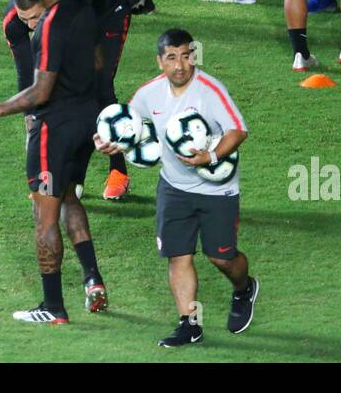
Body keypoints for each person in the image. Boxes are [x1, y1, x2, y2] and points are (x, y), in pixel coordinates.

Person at [0, 0, 110, 325]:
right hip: (84, 121)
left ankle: (53, 307)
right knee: (69, 195)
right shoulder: (81, 8)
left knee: (44, 216)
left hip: (53, 130)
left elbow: (40, 92)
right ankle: (93, 279)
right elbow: (97, 62)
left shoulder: (51, 23)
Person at [97, 28, 257, 347]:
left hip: (217, 190)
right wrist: (108, 141)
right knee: (178, 255)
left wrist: (209, 156)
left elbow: (237, 130)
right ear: (160, 62)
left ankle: (244, 288)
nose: (180, 65)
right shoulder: (147, 95)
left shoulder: (210, 90)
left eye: (186, 56)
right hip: (174, 188)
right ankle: (190, 323)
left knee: (221, 258)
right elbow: (129, 125)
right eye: (172, 57)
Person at [4, 0, 132, 200]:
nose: (30, 26)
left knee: (99, 88)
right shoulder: (14, 23)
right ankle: (65, 179)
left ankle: (118, 171)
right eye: (25, 20)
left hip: (108, 14)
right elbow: (26, 74)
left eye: (35, 18)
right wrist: (30, 120)